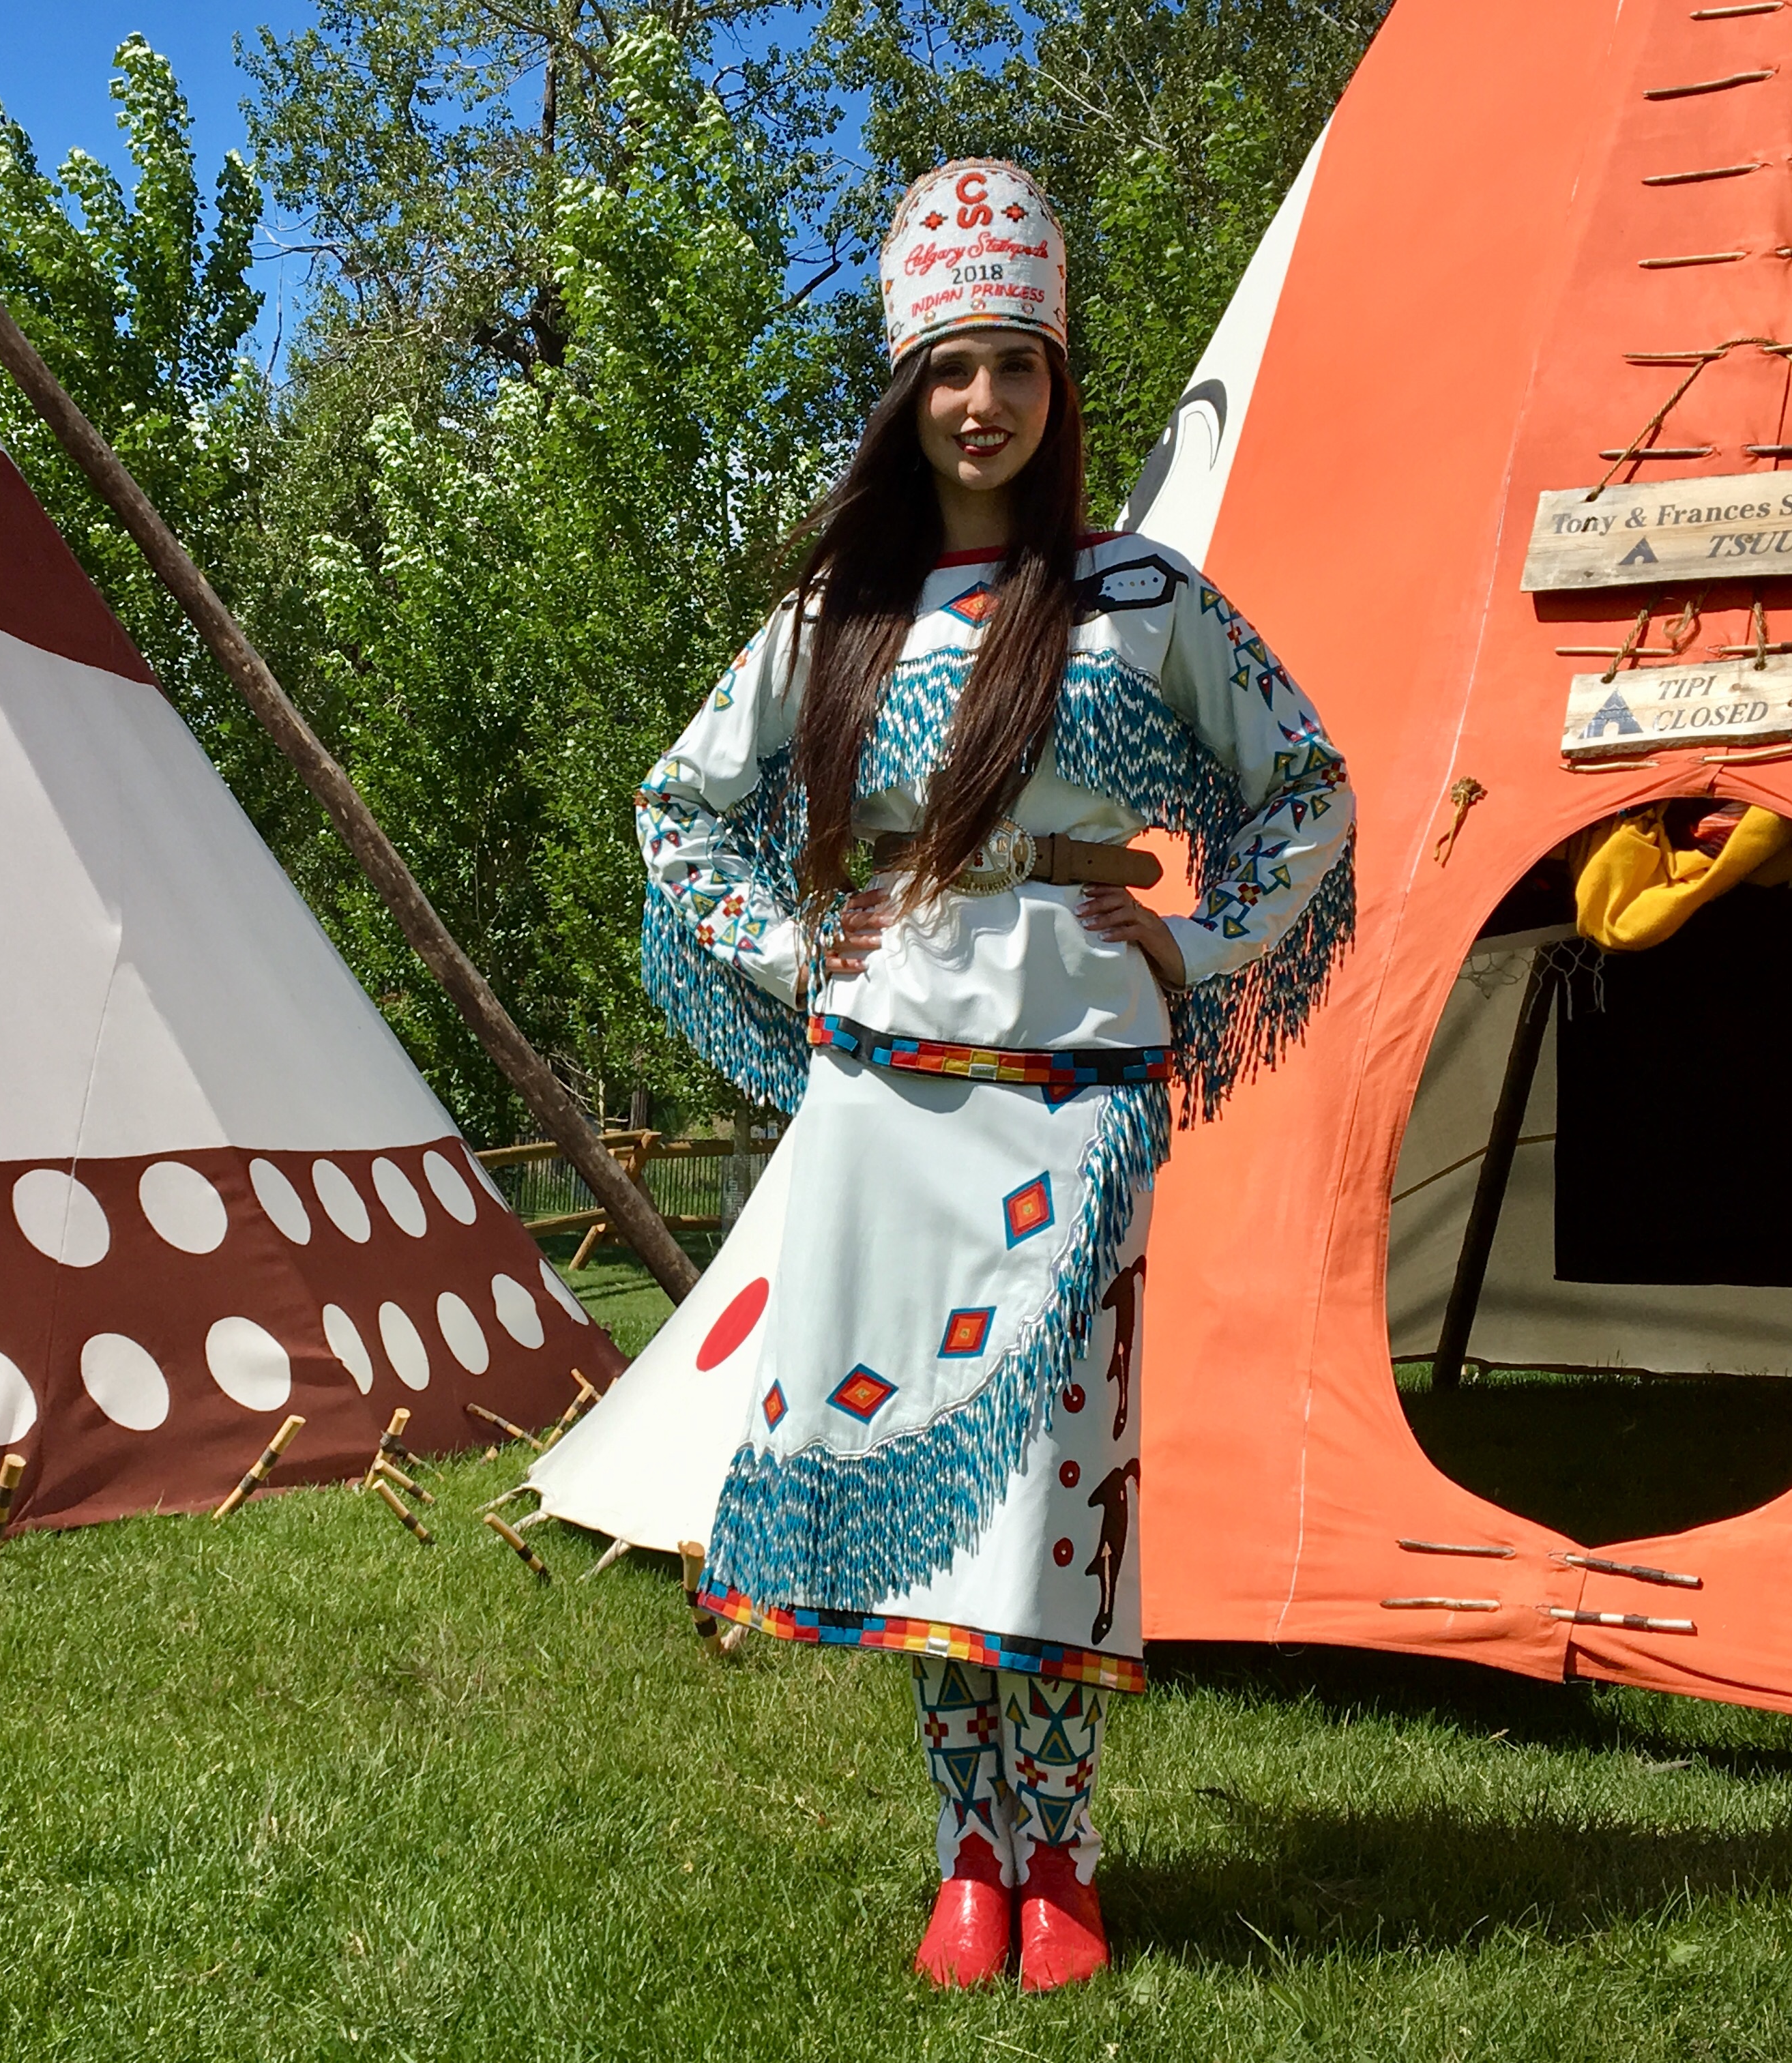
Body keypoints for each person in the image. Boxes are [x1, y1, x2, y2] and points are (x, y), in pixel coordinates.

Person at [633, 159, 1355, 1990]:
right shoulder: (840, 618)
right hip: (888, 1094)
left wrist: (1196, 944)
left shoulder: (1137, 597)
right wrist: (798, 954)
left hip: (1078, 1088)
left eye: (1015, 364)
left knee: (1050, 1465)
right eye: (949, 367)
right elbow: (682, 808)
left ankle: (1071, 1848)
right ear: (909, 389)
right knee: (912, 1461)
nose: (982, 401)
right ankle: (968, 1850)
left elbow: (1310, 792)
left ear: (1057, 382)